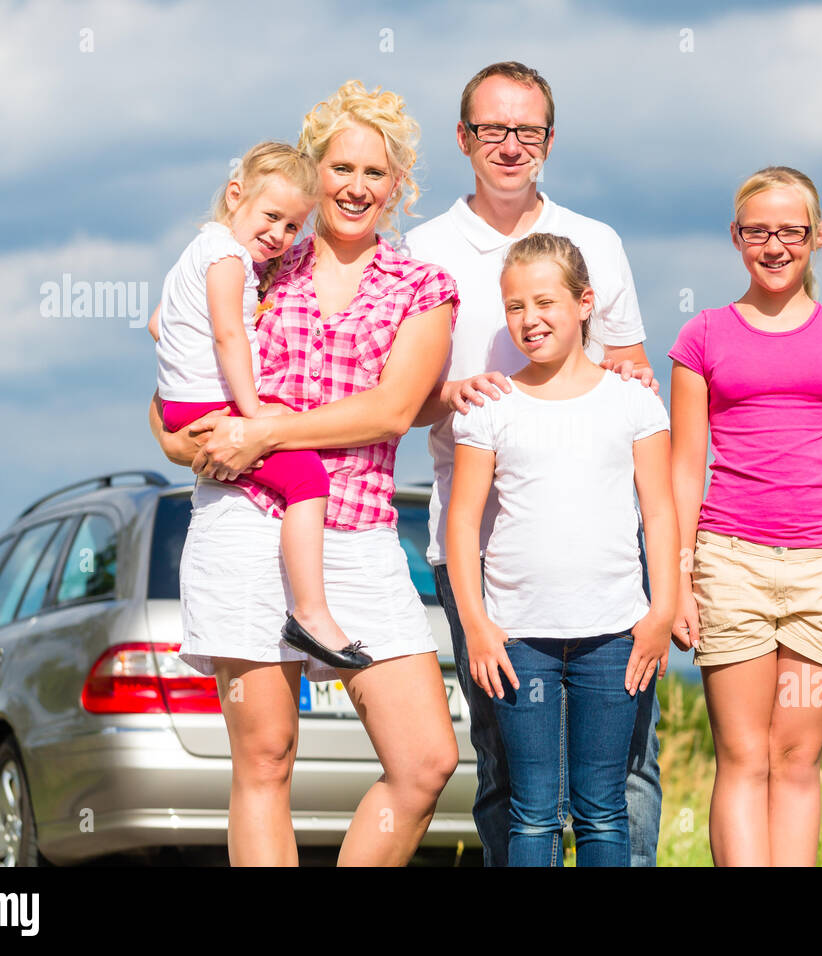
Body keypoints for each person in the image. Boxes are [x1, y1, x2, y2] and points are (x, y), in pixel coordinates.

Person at [147, 80, 459, 866]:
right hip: (245, 531)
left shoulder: (421, 288)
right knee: (266, 760)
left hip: (356, 532)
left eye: (376, 174)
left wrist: (268, 430)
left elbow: (392, 410)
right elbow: (169, 399)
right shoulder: (253, 261)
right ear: (312, 170)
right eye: (341, 167)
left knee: (425, 763)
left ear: (398, 187)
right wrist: (200, 445)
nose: (356, 187)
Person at [400, 60, 664, 867]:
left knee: (623, 777)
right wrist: (454, 391)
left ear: (549, 139)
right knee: (510, 778)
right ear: (463, 138)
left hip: (606, 555)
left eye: (527, 131)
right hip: (482, 549)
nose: (510, 146)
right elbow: (398, 405)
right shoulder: (424, 249)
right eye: (492, 129)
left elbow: (632, 376)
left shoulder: (598, 242)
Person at [669, 166, 822, 866]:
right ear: (736, 238)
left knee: (796, 757)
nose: (774, 246)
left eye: (789, 231)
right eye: (758, 231)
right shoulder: (702, 337)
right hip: (728, 563)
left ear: (817, 237)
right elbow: (682, 469)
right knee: (743, 755)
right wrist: (676, 582)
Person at [446, 233, 677, 865]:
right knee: (531, 812)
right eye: (514, 307)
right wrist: (478, 626)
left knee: (602, 809)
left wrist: (660, 615)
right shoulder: (490, 408)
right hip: (519, 638)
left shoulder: (633, 401)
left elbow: (660, 514)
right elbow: (462, 523)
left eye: (544, 302)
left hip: (615, 636)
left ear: (585, 303)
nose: (529, 319)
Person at [149, 141, 369, 670]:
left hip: (189, 404)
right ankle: (311, 614)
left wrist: (184, 365)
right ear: (234, 195)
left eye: (293, 227)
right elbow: (229, 335)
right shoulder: (228, 260)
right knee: (307, 480)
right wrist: (251, 413)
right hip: (214, 408)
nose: (279, 235)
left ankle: (309, 611)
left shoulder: (201, 250)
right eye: (271, 217)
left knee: (293, 443)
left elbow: (159, 323)